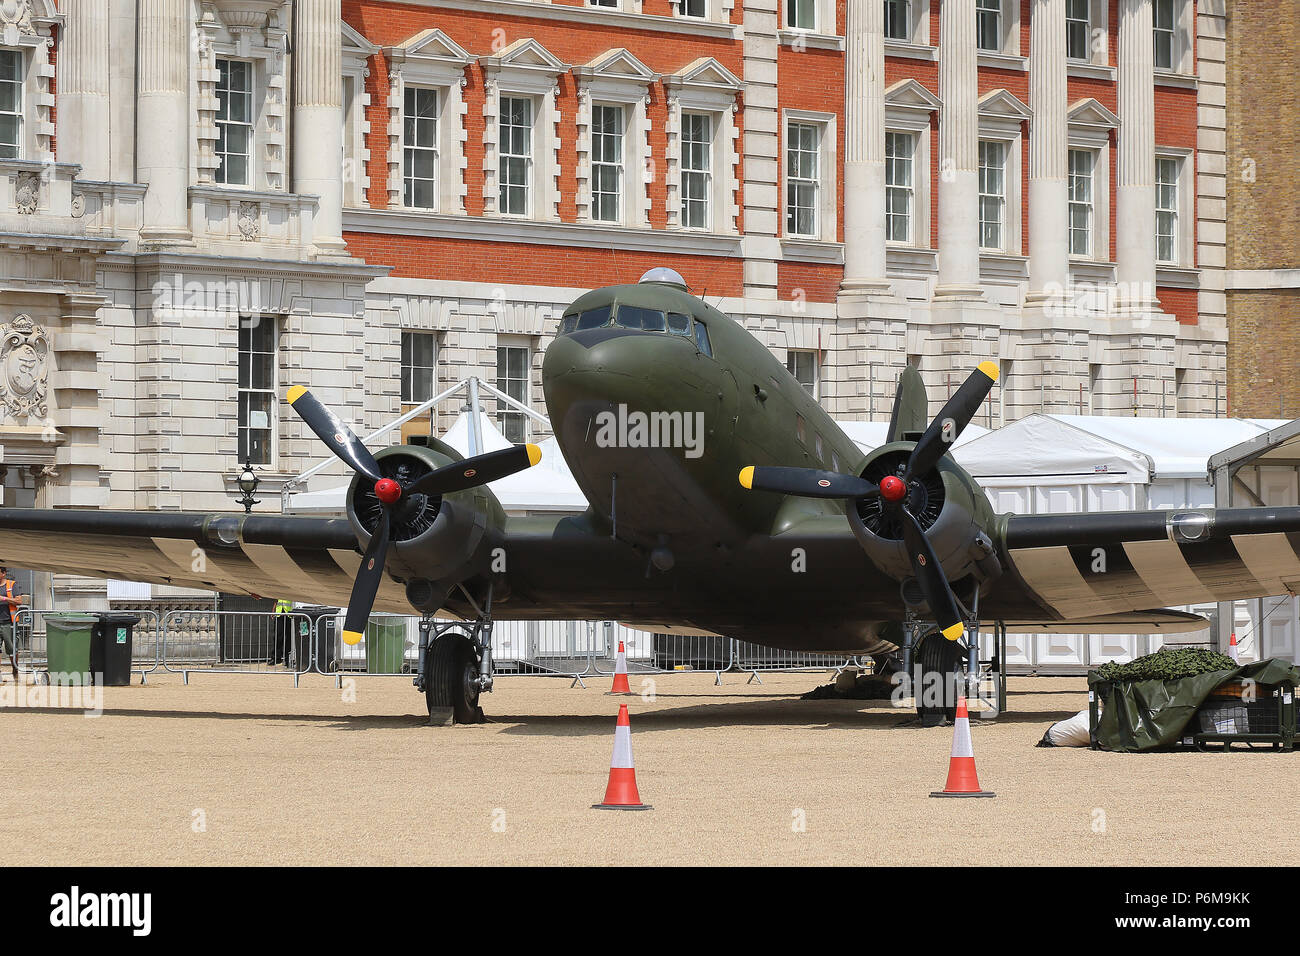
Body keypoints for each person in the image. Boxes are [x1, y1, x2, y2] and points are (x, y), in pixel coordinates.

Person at [0, 566, 28, 680]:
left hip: (8, 622)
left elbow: (19, 600)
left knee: (11, 648)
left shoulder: (11, 585)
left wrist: (4, 599)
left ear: (3, 573)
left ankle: (15, 669)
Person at [271, 598, 293, 666]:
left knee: (288, 637)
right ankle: (276, 658)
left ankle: (287, 659)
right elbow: (276, 600)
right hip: (279, 613)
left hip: (289, 613)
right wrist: (273, 610)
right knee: (277, 636)